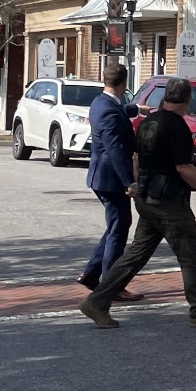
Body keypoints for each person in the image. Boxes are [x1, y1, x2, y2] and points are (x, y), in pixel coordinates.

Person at [81, 76, 196, 329]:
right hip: (168, 201)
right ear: (187, 99)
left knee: (136, 254)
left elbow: (136, 157)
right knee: (191, 253)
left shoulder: (148, 122)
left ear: (166, 97)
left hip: (147, 197)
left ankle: (97, 301)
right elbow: (184, 168)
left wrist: (136, 185)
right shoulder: (176, 126)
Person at [80, 64, 136, 297]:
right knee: (119, 228)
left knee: (117, 225)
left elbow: (120, 110)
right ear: (124, 83)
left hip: (102, 175)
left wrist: (137, 109)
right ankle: (111, 285)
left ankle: (92, 273)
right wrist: (129, 181)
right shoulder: (109, 110)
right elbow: (115, 149)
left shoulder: (100, 102)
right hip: (110, 178)